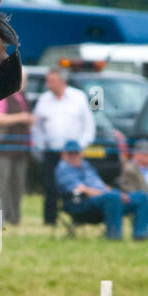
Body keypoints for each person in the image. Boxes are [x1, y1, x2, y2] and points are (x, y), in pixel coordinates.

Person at [33, 69, 95, 227]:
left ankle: (78, 219)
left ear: (62, 81)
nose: (48, 84)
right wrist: (41, 145)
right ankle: (50, 220)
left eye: (52, 80)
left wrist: (78, 147)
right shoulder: (44, 99)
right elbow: (36, 127)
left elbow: (88, 127)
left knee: (75, 186)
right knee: (50, 186)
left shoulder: (78, 97)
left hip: (73, 154)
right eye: (47, 80)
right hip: (51, 152)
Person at [55, 139, 148, 240]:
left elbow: (102, 186)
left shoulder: (86, 166)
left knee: (141, 197)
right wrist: (110, 195)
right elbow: (83, 189)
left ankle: (141, 235)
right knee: (112, 198)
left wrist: (118, 194)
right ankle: (114, 236)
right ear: (63, 155)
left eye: (76, 152)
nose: (74, 156)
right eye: (70, 153)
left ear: (81, 153)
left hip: (107, 199)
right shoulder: (63, 169)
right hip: (83, 204)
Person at [0, 68, 33, 226]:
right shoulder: (2, 96)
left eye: (24, 80)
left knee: (17, 185)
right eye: (20, 80)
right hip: (2, 149)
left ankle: (13, 218)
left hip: (19, 149)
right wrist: (21, 118)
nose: (23, 83)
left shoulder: (22, 97)